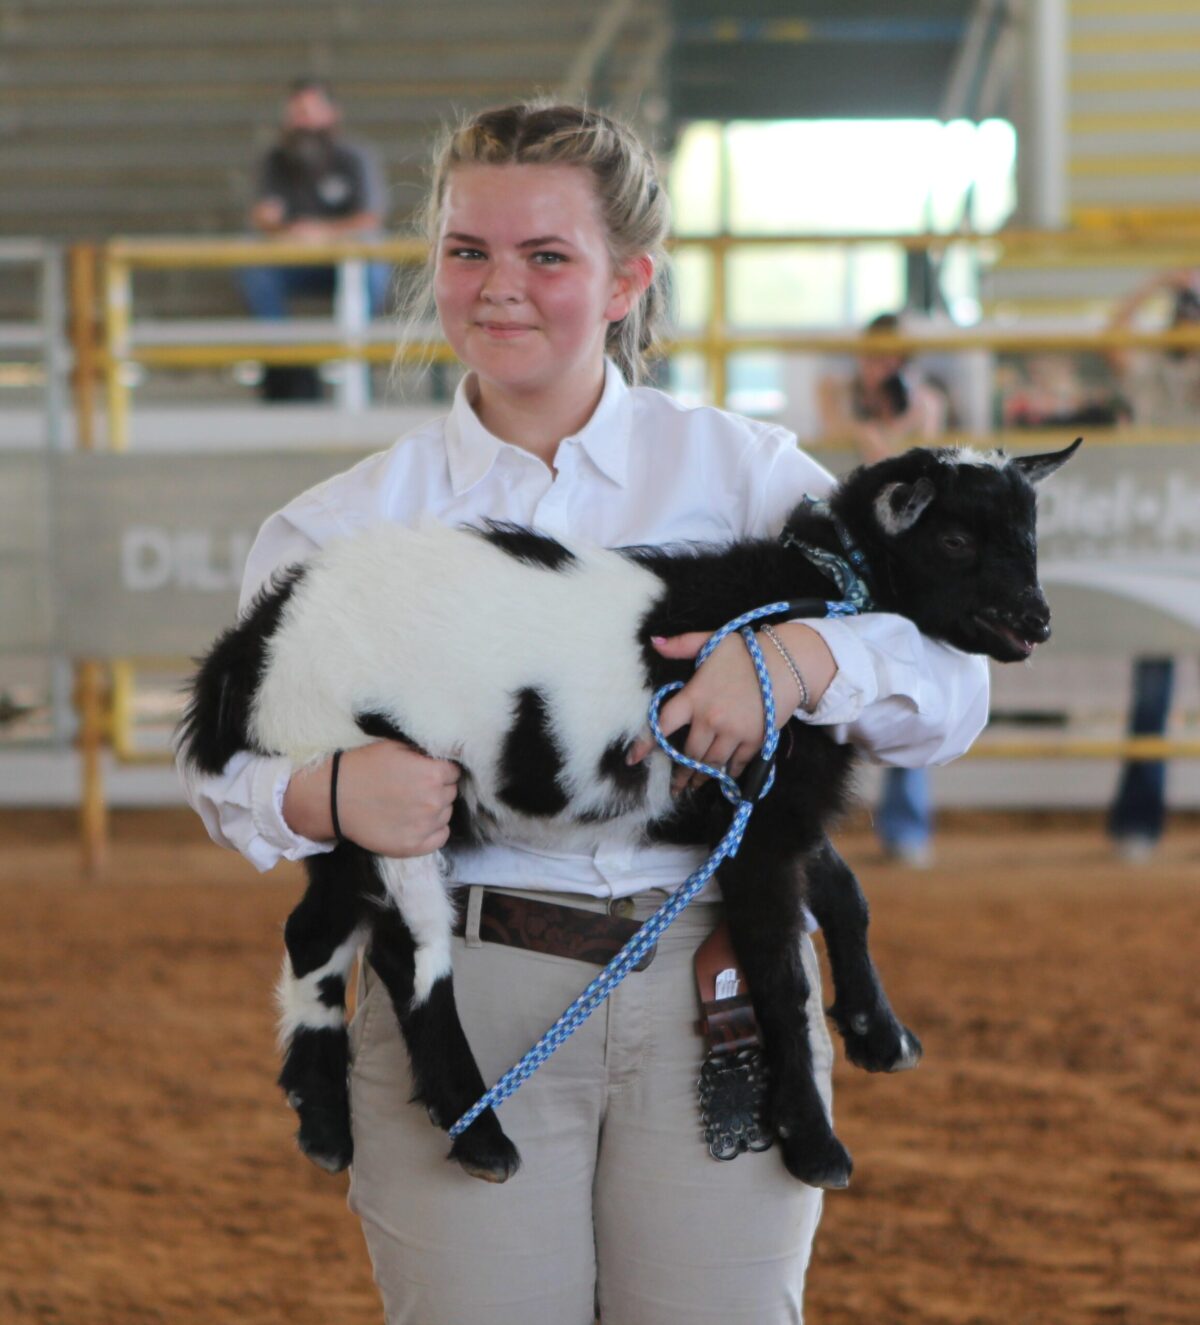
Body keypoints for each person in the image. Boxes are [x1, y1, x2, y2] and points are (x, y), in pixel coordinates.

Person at [181, 103, 989, 1324]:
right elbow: (223, 767)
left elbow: (950, 694)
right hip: (464, 977)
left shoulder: (749, 476)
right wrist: (323, 794)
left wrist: (801, 658)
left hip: (716, 979)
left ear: (628, 281)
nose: (499, 287)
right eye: (468, 252)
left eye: (546, 256)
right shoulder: (344, 524)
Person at [816, 312, 950, 867]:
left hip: (899, 561)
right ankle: (817, 829)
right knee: (818, 684)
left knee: (908, 685)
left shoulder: (926, 402)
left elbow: (910, 467)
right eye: (875, 356)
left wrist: (898, 423)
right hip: (833, 551)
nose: (883, 368)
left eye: (893, 359)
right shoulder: (836, 392)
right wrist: (870, 423)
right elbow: (844, 437)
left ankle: (905, 826)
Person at [1102, 269, 1198, 859]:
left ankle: (1138, 825)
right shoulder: (1154, 377)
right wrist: (1162, 281)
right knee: (1152, 690)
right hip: (1167, 547)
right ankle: (1138, 824)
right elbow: (1114, 334)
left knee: (1154, 686)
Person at [241, 77, 391, 400]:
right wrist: (272, 224)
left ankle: (357, 359)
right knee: (255, 270)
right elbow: (265, 215)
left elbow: (370, 217)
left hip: (345, 260)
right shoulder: (276, 160)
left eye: (309, 111)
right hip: (296, 262)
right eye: (295, 112)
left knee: (371, 269)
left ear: (331, 114)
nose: (301, 121)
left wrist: (321, 233)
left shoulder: (354, 158)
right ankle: (285, 362)